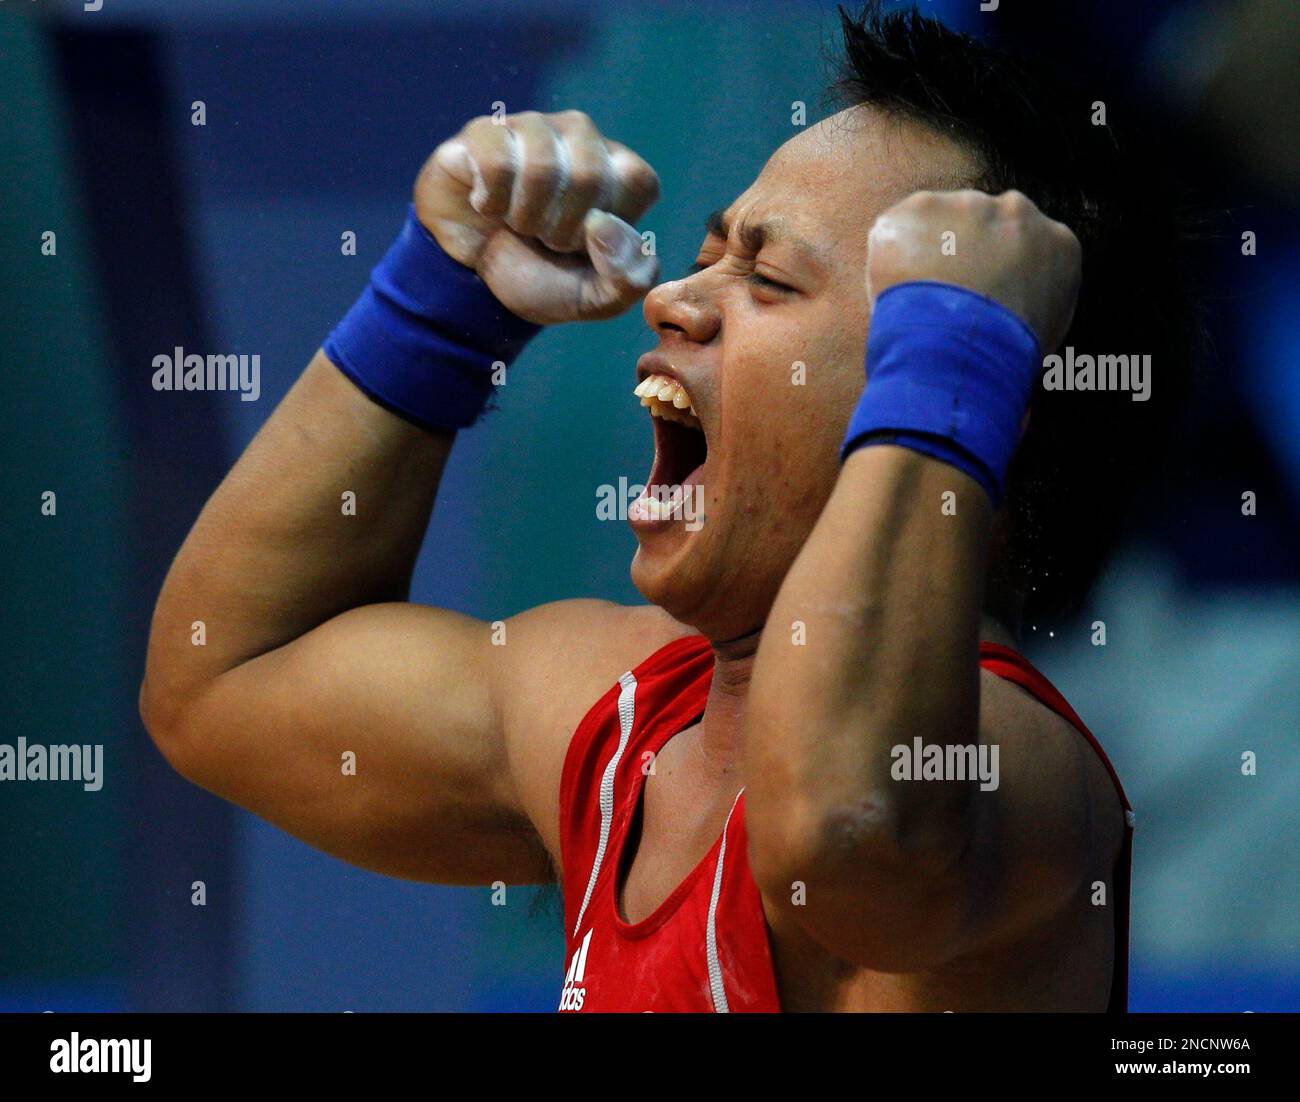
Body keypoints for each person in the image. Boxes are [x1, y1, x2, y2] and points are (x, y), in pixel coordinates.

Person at [141, 4, 1193, 1011]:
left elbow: (842, 824)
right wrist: (435, 309)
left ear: (966, 399)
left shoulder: (1009, 764)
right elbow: (224, 679)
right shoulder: (619, 715)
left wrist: (961, 359)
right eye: (704, 258)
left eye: (768, 280)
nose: (671, 300)